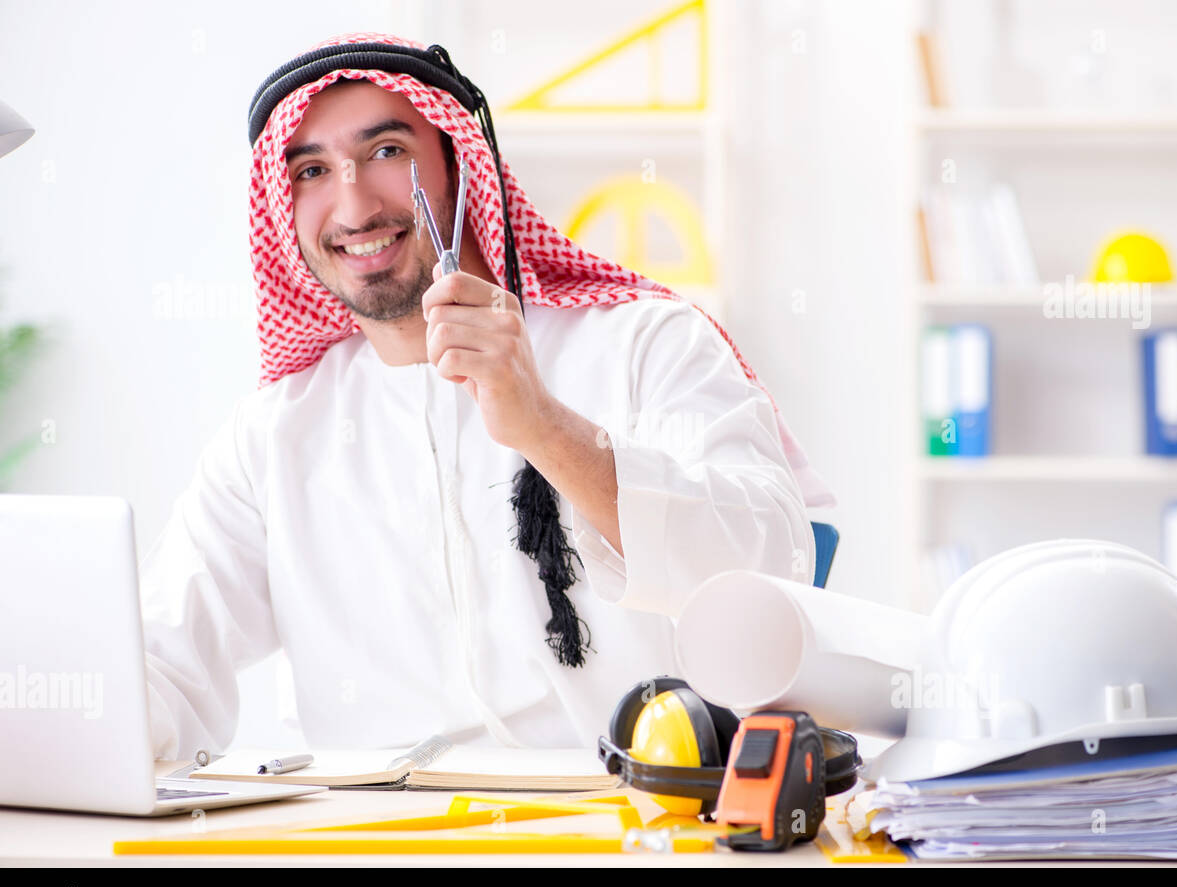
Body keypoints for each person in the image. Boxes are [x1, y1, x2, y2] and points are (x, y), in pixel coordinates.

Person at [142, 33, 836, 759]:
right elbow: (162, 663)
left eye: (385, 151)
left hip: (626, 829)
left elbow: (770, 566)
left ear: (459, 163)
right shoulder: (272, 437)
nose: (352, 206)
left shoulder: (647, 345)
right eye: (312, 170)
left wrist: (547, 428)